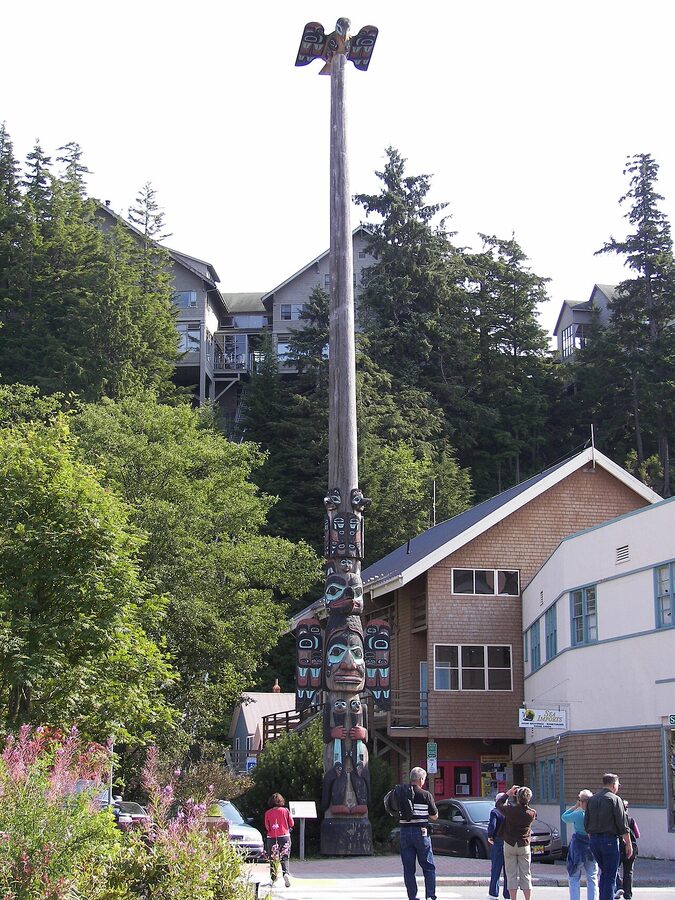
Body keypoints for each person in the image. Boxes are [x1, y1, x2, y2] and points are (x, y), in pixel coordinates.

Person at [584, 774, 632, 900]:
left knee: (604, 873)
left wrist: (593, 839)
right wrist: (628, 844)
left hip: (594, 840)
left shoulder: (592, 800)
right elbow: (622, 824)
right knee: (610, 875)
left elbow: (587, 823)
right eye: (618, 784)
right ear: (613, 784)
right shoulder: (615, 799)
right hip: (610, 840)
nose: (618, 787)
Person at [398, 766, 438, 900]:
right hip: (421, 833)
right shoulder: (425, 795)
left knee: (408, 868)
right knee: (428, 866)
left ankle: (412, 897)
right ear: (421, 779)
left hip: (404, 832)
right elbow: (434, 816)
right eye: (424, 779)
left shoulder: (400, 793)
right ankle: (430, 896)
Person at [496, 785, 536, 900]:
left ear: (517, 798)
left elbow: (498, 804)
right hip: (524, 844)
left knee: (511, 875)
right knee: (526, 874)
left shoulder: (510, 810)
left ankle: (513, 898)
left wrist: (508, 793)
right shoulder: (531, 813)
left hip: (509, 843)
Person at [562, 789, 598, 900]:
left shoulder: (578, 815)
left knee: (574, 877)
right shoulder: (595, 815)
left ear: (582, 802)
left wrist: (575, 806)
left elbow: (564, 817)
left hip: (578, 849)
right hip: (591, 848)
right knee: (592, 877)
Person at [264, 792, 294, 888]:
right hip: (285, 835)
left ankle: (273, 878)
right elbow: (292, 823)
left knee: (272, 857)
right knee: (284, 856)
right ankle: (286, 873)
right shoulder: (285, 811)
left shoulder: (267, 813)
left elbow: (267, 827)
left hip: (272, 837)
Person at [614, 800, 640, 899]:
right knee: (629, 871)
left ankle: (618, 887)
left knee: (615, 868)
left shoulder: (615, 821)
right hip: (632, 848)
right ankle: (628, 894)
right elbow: (637, 835)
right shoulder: (631, 820)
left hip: (619, 847)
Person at [487, 792, 510, 900]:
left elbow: (492, 825)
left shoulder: (495, 812)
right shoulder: (511, 811)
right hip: (510, 842)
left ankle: (493, 893)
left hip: (499, 841)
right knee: (508, 870)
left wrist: (490, 836)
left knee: (496, 868)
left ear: (497, 801)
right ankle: (508, 894)